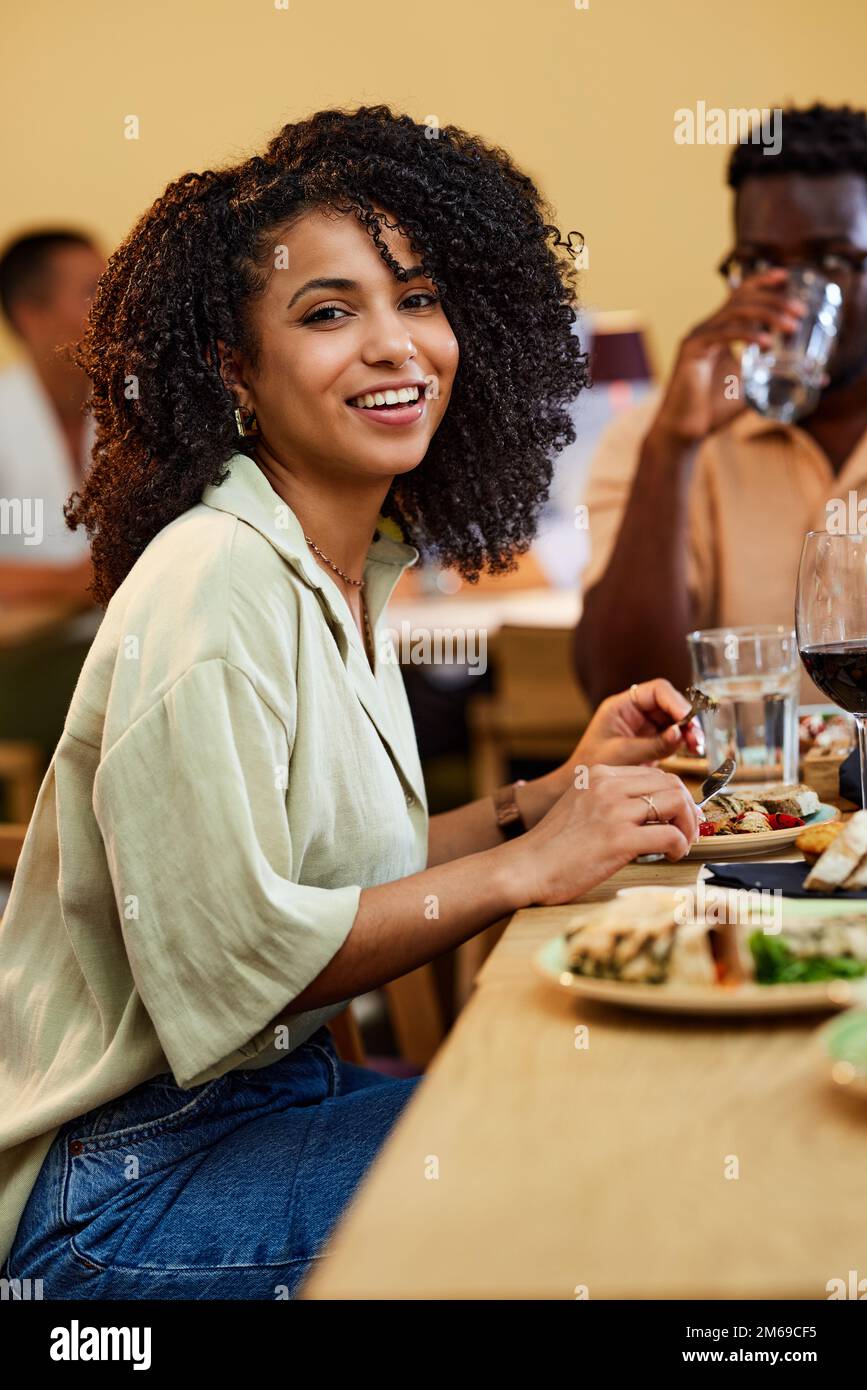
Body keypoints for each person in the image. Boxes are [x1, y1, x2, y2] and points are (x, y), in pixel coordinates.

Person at [0, 106, 700, 1300]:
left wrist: (547, 799)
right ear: (234, 369)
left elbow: (317, 884)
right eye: (329, 313)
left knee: (629, 1108)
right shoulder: (214, 583)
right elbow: (244, 961)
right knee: (611, 1171)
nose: (397, 346)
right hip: (122, 1187)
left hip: (269, 1107)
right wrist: (528, 870)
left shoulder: (337, 565)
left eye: (418, 300)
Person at [575, 104, 867, 704]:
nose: (790, 296)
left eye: (831, 259)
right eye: (758, 264)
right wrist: (672, 447)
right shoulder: (654, 439)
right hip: (746, 800)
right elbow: (624, 689)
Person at [0, 231, 105, 772]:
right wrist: (74, 582)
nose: (113, 300)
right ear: (31, 314)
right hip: (18, 666)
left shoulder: (122, 412)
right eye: (92, 290)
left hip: (101, 647)